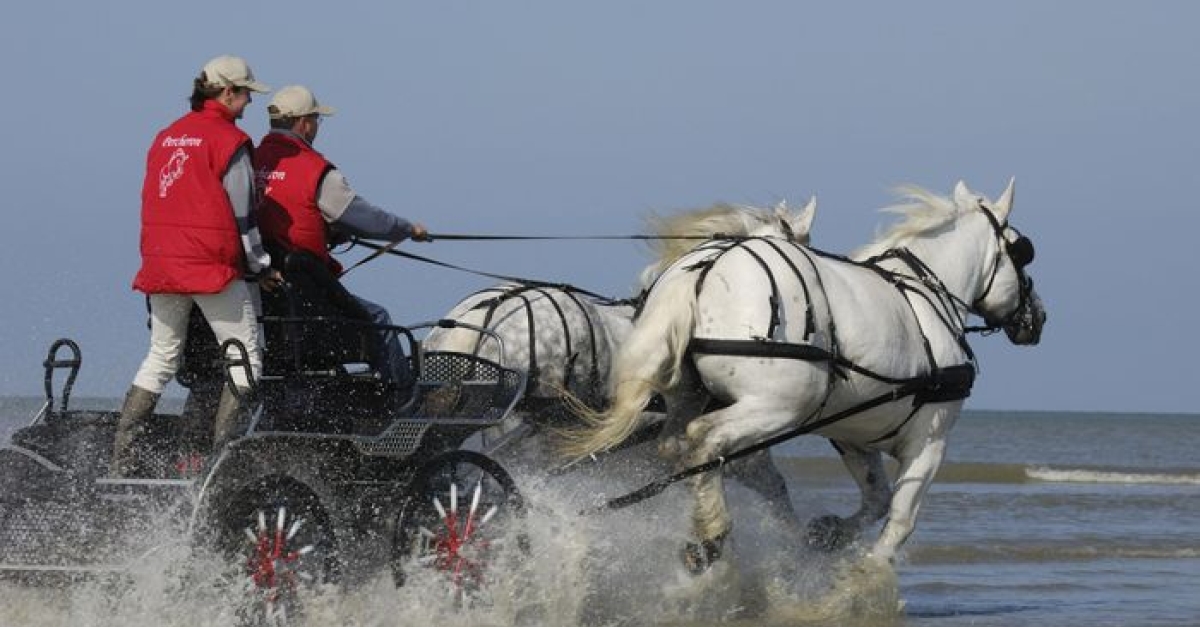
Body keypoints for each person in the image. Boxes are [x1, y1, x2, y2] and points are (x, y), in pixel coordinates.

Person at [111, 55, 282, 477]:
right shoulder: (230, 140)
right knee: (244, 356)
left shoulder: (166, 136)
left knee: (162, 356)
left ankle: (123, 456)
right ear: (226, 93)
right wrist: (261, 266)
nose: (248, 104)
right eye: (245, 95)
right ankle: (223, 463)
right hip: (210, 268)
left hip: (162, 265)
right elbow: (244, 216)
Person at [254, 85, 428, 398]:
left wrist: (327, 233)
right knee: (380, 319)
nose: (318, 127)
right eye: (317, 120)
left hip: (268, 287)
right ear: (304, 122)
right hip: (305, 288)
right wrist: (407, 229)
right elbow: (365, 219)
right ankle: (402, 399)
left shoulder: (253, 161)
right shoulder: (313, 169)